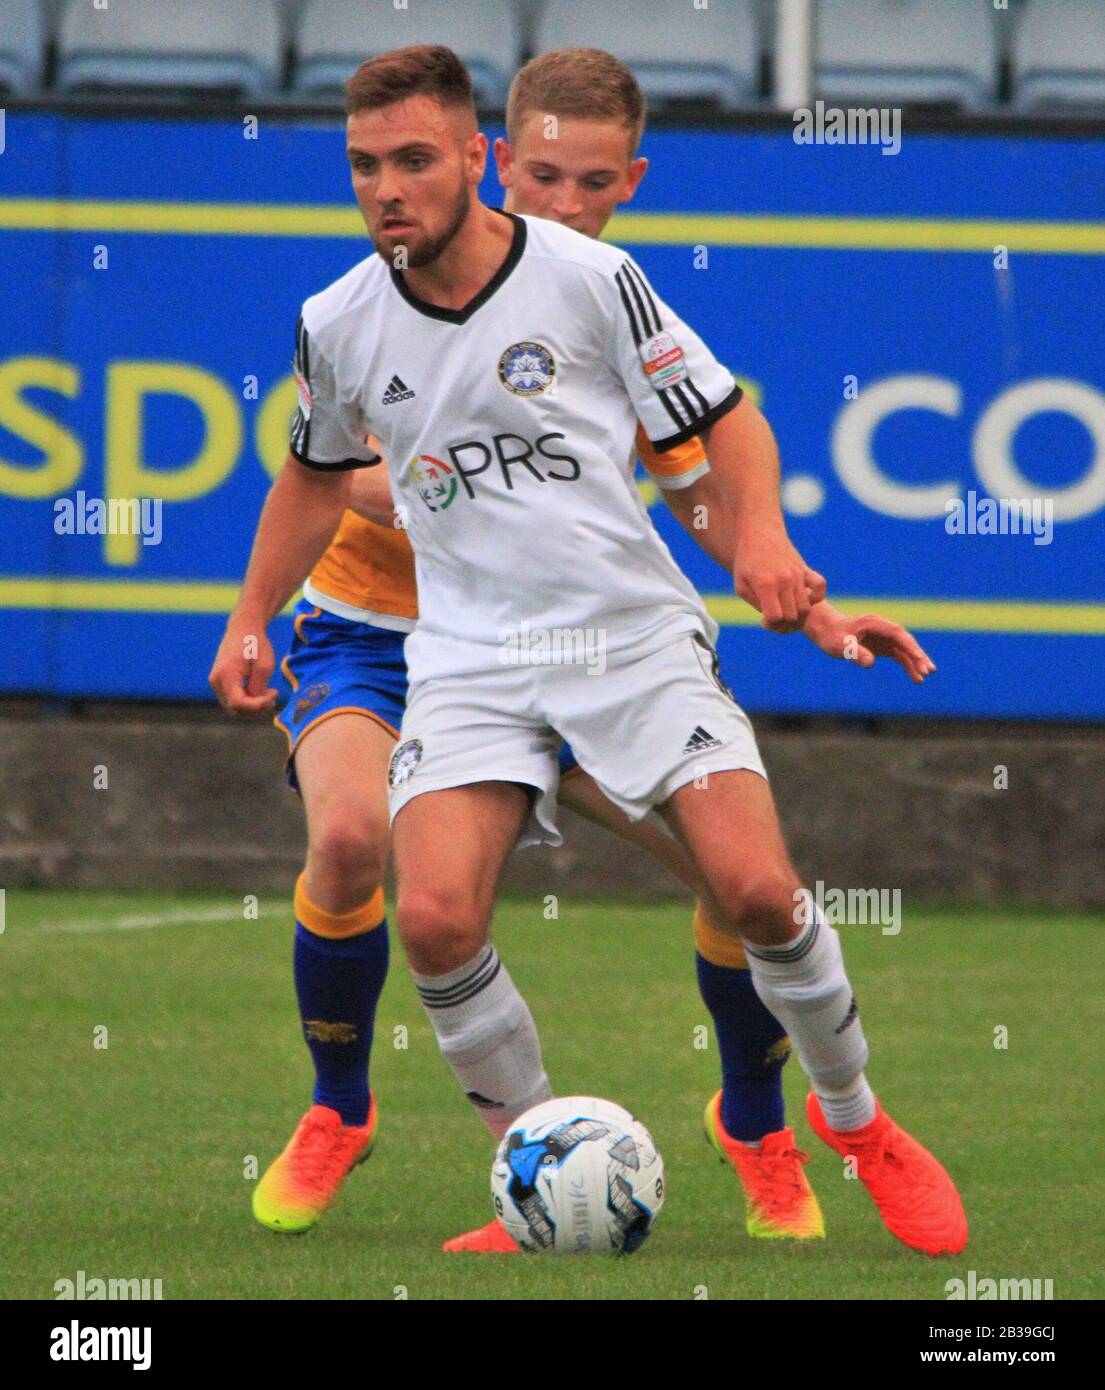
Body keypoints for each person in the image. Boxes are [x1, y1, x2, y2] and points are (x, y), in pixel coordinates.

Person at [210, 44, 957, 1258]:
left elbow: (719, 438)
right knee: (433, 915)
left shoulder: (594, 285)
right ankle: (522, 1160)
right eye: (363, 165)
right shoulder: (338, 321)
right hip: (450, 655)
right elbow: (309, 473)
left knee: (757, 889)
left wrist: (781, 570)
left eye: (411, 159)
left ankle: (850, 1124)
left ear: (468, 159)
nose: (386, 188)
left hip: (625, 643)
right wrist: (251, 615)